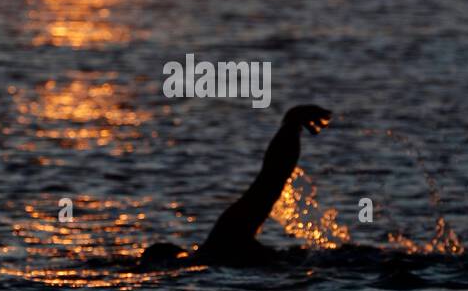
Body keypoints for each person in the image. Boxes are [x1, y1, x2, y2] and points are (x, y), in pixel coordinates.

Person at [137, 104, 331, 269]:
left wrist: (291, 125)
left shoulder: (219, 247)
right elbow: (270, 179)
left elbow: (270, 180)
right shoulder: (222, 243)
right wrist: (291, 124)